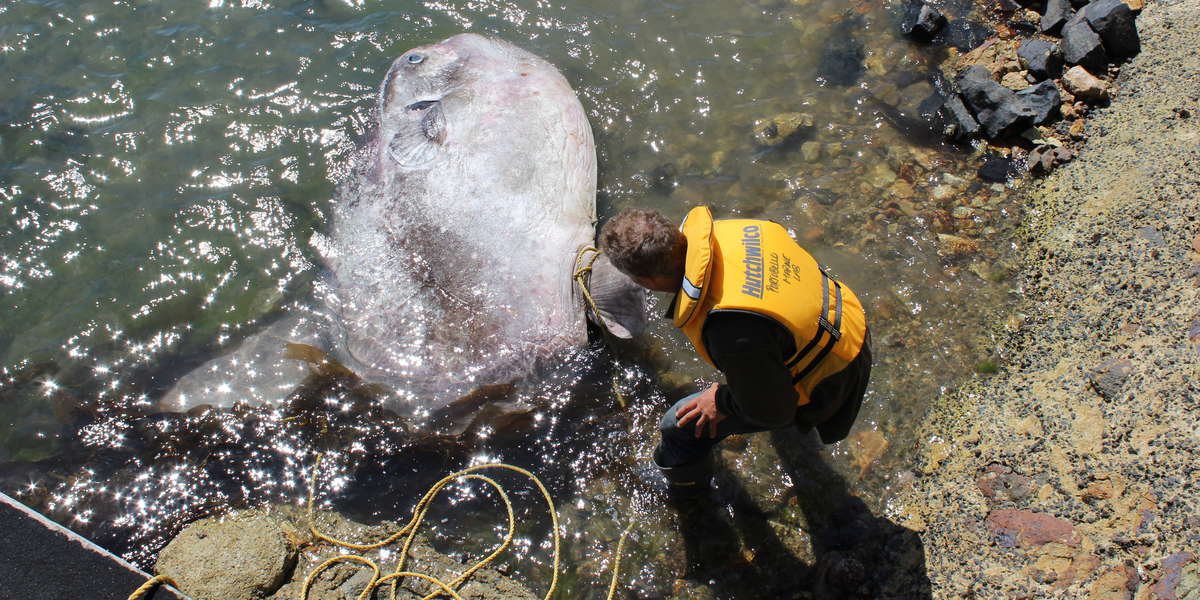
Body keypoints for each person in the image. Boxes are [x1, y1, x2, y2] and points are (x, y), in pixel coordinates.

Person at [599, 206, 872, 496]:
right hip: (848, 321)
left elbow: (772, 411)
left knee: (680, 424)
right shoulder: (736, 231)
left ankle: (685, 490)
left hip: (836, 377)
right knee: (762, 367)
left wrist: (723, 400)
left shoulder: (728, 327)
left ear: (646, 282)